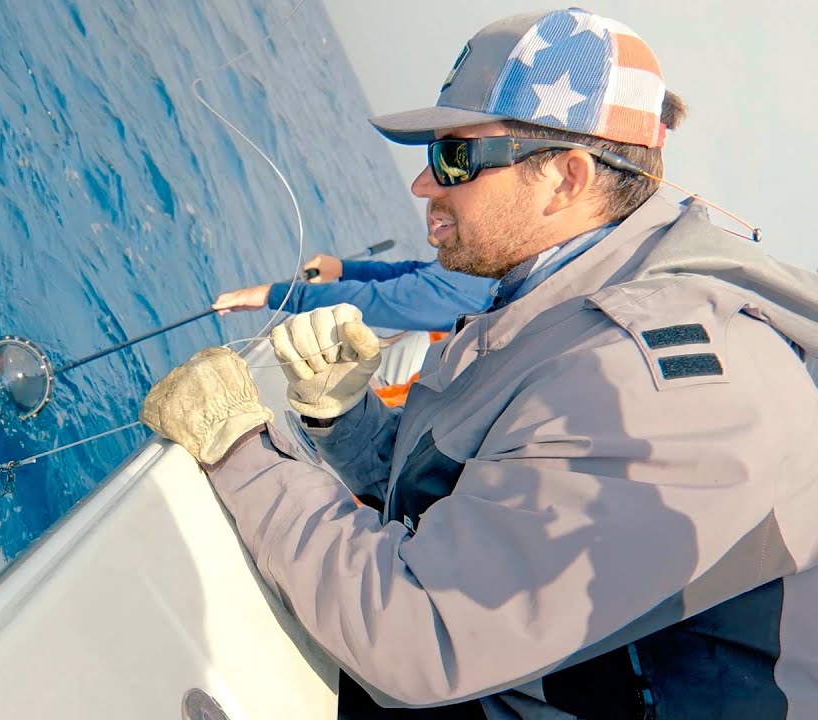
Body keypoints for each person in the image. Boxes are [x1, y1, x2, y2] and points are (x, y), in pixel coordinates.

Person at [139, 8, 818, 718]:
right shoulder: (561, 294)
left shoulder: (660, 386)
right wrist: (345, 418)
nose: (423, 186)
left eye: (455, 157)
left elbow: (419, 633)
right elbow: (473, 493)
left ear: (565, 179)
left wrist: (238, 451)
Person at [212, 252, 496, 332]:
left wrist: (270, 295)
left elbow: (371, 301)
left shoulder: (479, 277)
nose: (421, 188)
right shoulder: (485, 262)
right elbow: (418, 273)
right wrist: (344, 268)